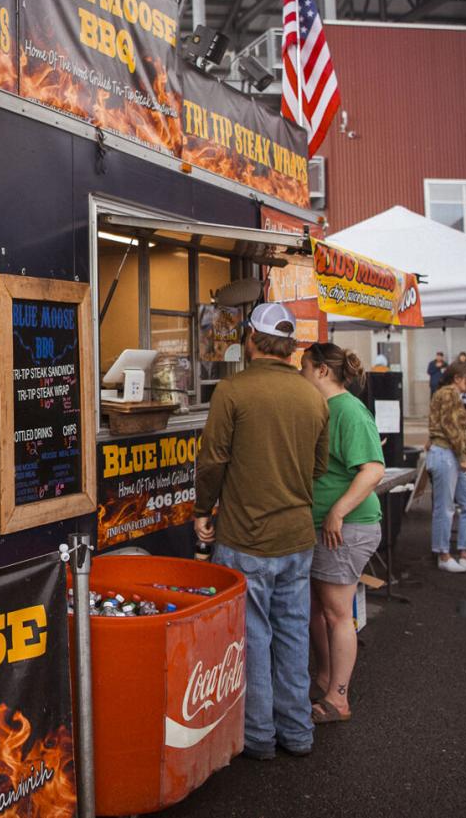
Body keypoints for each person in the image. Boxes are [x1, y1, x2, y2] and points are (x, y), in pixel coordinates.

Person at [195, 303, 329, 760]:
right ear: (290, 346)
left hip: (246, 537)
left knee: (253, 636)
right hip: (297, 538)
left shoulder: (232, 390)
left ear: (252, 339)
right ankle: (297, 732)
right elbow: (319, 466)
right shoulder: (313, 395)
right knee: (292, 634)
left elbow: (212, 461)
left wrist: (201, 509)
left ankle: (258, 737)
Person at [299, 343, 383, 725]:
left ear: (320, 371)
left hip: (347, 527)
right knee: (319, 610)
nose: (301, 373)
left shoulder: (349, 410)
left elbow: (372, 469)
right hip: (327, 526)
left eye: (304, 366)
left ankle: (338, 698)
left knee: (337, 614)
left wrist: (336, 511)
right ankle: (325, 677)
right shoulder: (325, 408)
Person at [427, 364, 466, 573]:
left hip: (447, 453)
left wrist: (464, 451)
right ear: (458, 378)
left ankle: (463, 553)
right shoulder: (450, 393)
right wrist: (463, 455)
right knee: (448, 506)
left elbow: (454, 428)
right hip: (445, 454)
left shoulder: (448, 393)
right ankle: (444, 555)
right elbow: (450, 426)